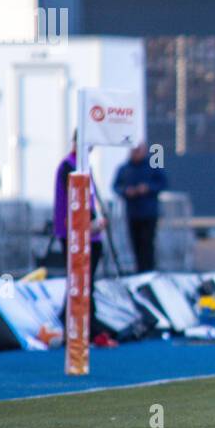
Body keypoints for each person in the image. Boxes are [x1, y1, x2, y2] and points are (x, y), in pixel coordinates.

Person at [54, 134, 116, 349]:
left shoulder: (82, 165)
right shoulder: (68, 167)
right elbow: (75, 200)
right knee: (80, 282)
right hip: (75, 234)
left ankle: (81, 326)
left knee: (84, 282)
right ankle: (80, 328)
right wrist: (92, 223)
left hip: (89, 233)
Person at [113, 142, 167, 273]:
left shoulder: (153, 166)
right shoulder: (124, 168)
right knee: (135, 243)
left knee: (147, 243)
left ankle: (149, 270)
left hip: (149, 213)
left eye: (139, 150)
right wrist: (126, 191)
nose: (136, 153)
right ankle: (139, 270)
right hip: (133, 213)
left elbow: (163, 182)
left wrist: (148, 188)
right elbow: (116, 186)